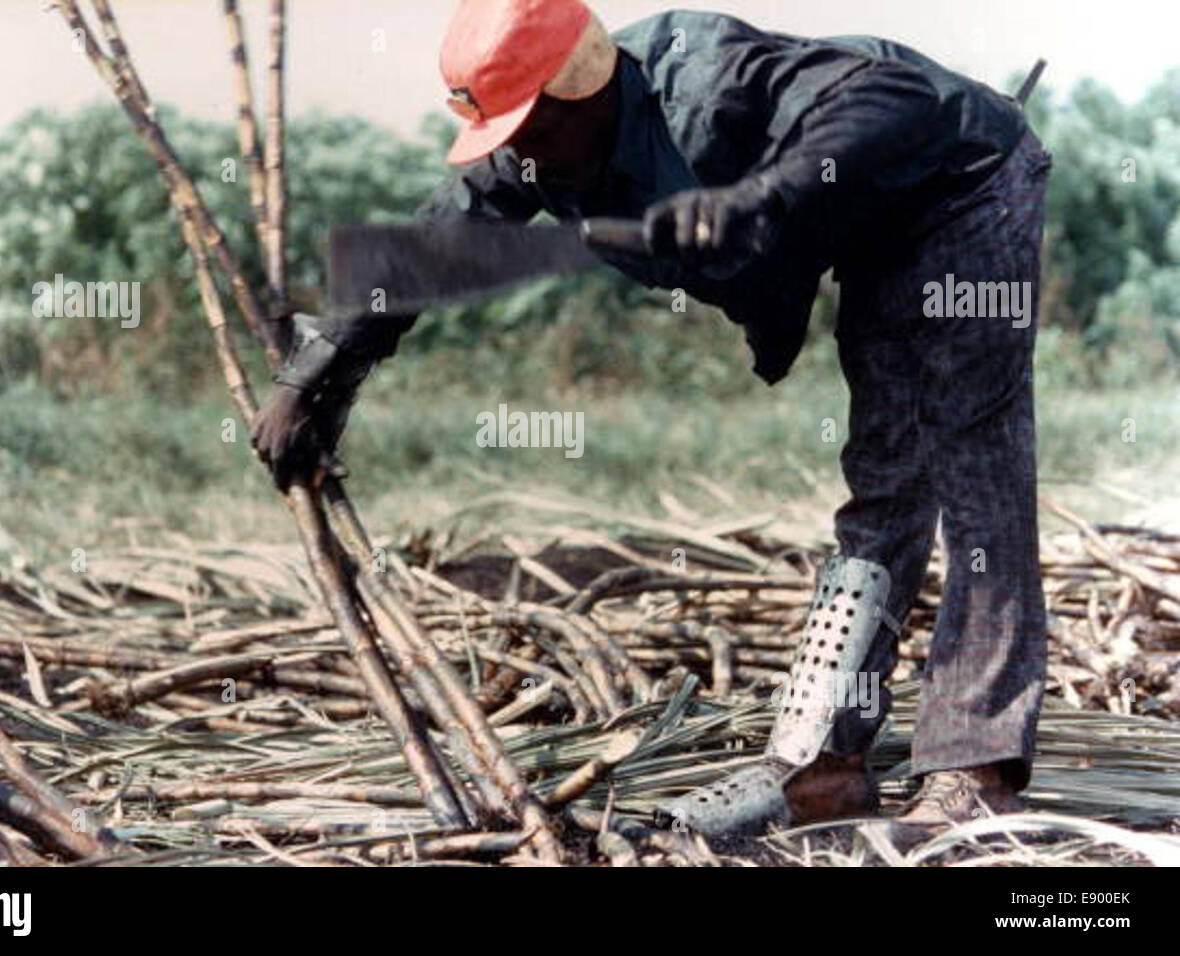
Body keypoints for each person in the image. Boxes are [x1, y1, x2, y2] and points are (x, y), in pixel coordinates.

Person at [251, 0, 1053, 850]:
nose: (519, 154)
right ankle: (825, 763)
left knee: (971, 461)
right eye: (504, 137)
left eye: (531, 128)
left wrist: (764, 193)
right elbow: (433, 243)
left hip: (963, 187)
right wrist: (318, 371)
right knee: (887, 481)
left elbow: (893, 98)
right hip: (872, 229)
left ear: (582, 84)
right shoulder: (529, 159)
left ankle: (978, 771)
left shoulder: (708, 83)